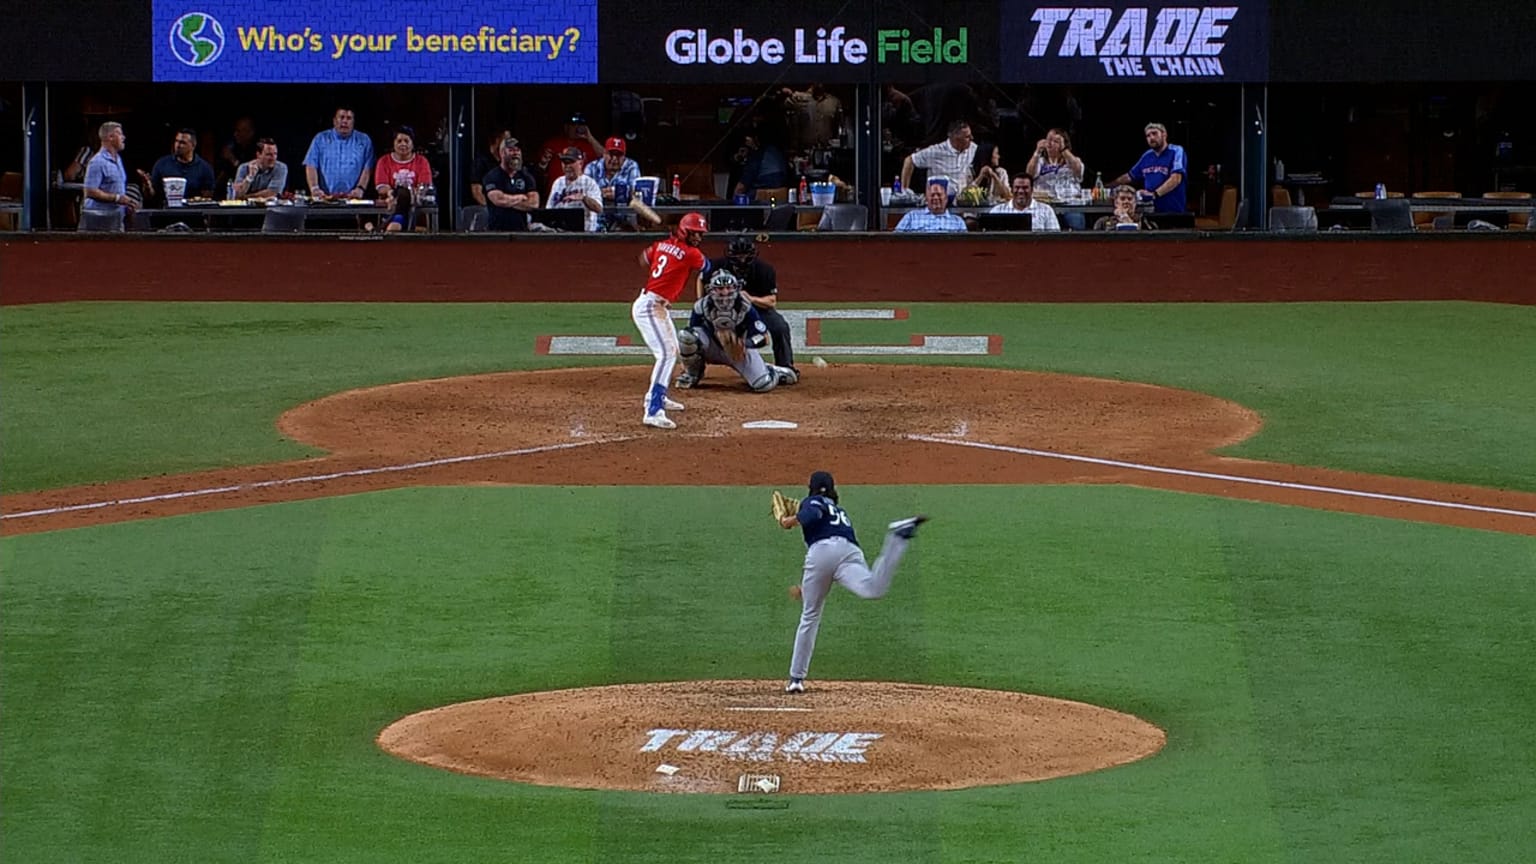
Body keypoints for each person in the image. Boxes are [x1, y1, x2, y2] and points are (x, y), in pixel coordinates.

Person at [773, 471, 928, 694]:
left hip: (822, 551)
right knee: (873, 588)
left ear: (812, 487)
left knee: (810, 616)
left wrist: (788, 521)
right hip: (849, 551)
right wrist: (806, 587)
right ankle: (898, 537)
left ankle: (796, 679)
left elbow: (812, 517)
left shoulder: (812, 501)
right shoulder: (839, 510)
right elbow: (832, 565)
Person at [633, 213, 711, 429]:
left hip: (656, 304)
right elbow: (707, 266)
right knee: (666, 354)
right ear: (686, 231)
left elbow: (644, 258)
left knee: (672, 351)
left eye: (700, 234)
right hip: (650, 306)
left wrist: (668, 244)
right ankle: (653, 409)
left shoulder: (661, 245)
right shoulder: (691, 254)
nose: (699, 238)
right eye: (695, 233)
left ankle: (658, 395)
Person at [676, 271, 799, 393]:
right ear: (711, 290)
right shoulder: (701, 307)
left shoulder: (746, 307)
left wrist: (744, 344)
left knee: (763, 384)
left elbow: (763, 337)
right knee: (686, 337)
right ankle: (692, 374)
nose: (725, 292)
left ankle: (772, 371)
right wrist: (687, 362)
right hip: (712, 347)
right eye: (720, 288)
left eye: (729, 287)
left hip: (739, 352)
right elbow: (693, 332)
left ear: (736, 288)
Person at [712, 236, 796, 372]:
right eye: (738, 256)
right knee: (696, 335)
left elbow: (771, 301)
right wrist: (701, 299)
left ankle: (785, 366)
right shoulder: (719, 265)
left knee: (780, 327)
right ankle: (694, 370)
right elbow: (701, 278)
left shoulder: (764, 269)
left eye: (745, 256)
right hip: (724, 310)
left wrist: (751, 299)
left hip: (757, 309)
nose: (741, 259)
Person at [1112, 122, 1186, 215]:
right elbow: (1129, 176)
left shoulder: (1176, 150)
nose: (1151, 137)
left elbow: (1176, 178)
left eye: (1154, 133)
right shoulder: (1147, 156)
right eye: (1148, 135)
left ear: (1164, 134)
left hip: (1173, 210)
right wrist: (1109, 186)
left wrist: (1154, 194)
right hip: (1150, 210)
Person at [303, 106, 374, 200]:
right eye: (341, 117)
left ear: (353, 121)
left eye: (349, 118)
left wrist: (360, 188)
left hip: (353, 199)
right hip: (325, 198)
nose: (345, 121)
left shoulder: (364, 140)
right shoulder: (320, 138)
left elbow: (368, 168)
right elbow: (311, 165)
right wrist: (315, 188)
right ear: (334, 121)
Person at [80, 121, 139, 231]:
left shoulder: (118, 160)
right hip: (98, 221)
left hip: (116, 220)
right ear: (110, 137)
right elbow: (90, 191)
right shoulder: (97, 162)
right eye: (120, 134)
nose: (124, 137)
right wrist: (117, 198)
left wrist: (127, 205)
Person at [1027, 128, 1087, 229]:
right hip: (1045, 205)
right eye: (1048, 140)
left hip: (1070, 204)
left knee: (1076, 225)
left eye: (1055, 141)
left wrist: (1064, 149)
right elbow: (1029, 175)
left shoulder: (1073, 160)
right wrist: (1037, 152)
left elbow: (1078, 171)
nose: (1050, 144)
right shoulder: (1040, 162)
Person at [900, 120, 976, 196]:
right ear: (956, 138)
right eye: (967, 137)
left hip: (963, 202)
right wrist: (904, 190)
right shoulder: (935, 152)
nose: (972, 138)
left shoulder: (973, 149)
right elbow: (909, 160)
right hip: (938, 201)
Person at [481, 137, 540, 231]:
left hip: (521, 232)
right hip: (496, 233)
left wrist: (508, 202)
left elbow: (534, 204)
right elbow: (498, 200)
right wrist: (520, 197)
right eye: (511, 150)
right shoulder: (492, 176)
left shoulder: (526, 176)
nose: (516, 153)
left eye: (517, 150)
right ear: (502, 153)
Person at [149, 128, 216, 203]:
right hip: (166, 211)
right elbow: (152, 195)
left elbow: (207, 197)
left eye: (182, 143)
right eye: (176, 141)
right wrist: (147, 185)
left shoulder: (204, 168)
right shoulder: (162, 164)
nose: (177, 145)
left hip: (193, 212)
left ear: (193, 145)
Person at [537, 112, 603, 187]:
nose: (577, 128)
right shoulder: (552, 144)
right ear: (566, 127)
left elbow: (605, 157)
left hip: (580, 191)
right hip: (557, 191)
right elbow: (540, 170)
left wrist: (590, 137)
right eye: (574, 125)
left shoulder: (588, 145)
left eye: (580, 125)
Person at [548, 147, 603, 232]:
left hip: (584, 233)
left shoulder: (589, 182)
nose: (567, 166)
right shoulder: (558, 182)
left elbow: (599, 208)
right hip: (560, 232)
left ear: (580, 163)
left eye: (571, 162)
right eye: (564, 162)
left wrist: (584, 198)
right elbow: (549, 209)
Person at [373, 126, 432, 199]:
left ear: (412, 144)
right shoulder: (383, 161)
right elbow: (381, 188)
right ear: (393, 143)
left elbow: (424, 187)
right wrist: (396, 195)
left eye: (406, 141)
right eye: (399, 141)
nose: (403, 144)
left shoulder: (422, 161)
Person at [989, 174, 1061, 231]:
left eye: (1025, 188)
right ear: (1011, 190)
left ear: (1032, 189)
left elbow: (1055, 239)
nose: (1020, 191)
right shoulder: (997, 211)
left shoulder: (1046, 211)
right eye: (1017, 187)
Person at [782, 83, 843, 149]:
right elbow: (783, 108)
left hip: (827, 150)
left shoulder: (834, 102)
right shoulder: (799, 98)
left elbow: (839, 127)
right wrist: (784, 94)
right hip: (802, 151)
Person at [894, 181, 968, 233]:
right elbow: (894, 241)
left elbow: (964, 247)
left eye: (939, 194)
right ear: (926, 199)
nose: (935, 198)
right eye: (932, 195)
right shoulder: (911, 217)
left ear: (946, 199)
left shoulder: (958, 222)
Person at [732, 133, 789, 200]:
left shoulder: (756, 156)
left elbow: (740, 188)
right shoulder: (775, 151)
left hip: (761, 195)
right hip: (781, 195)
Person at [469, 128, 512, 206]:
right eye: (506, 140)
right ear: (497, 140)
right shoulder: (481, 162)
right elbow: (476, 192)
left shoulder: (507, 162)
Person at [1093, 184, 1158, 231]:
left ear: (1135, 203)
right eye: (1122, 199)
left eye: (1130, 199)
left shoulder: (1148, 224)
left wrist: (1125, 217)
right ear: (1116, 203)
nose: (1126, 202)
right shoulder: (1102, 223)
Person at [217, 116, 258, 183]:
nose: (235, 134)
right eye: (235, 131)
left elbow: (249, 174)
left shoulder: (257, 151)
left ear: (250, 133)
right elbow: (225, 171)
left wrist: (233, 159)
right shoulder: (236, 148)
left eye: (239, 131)